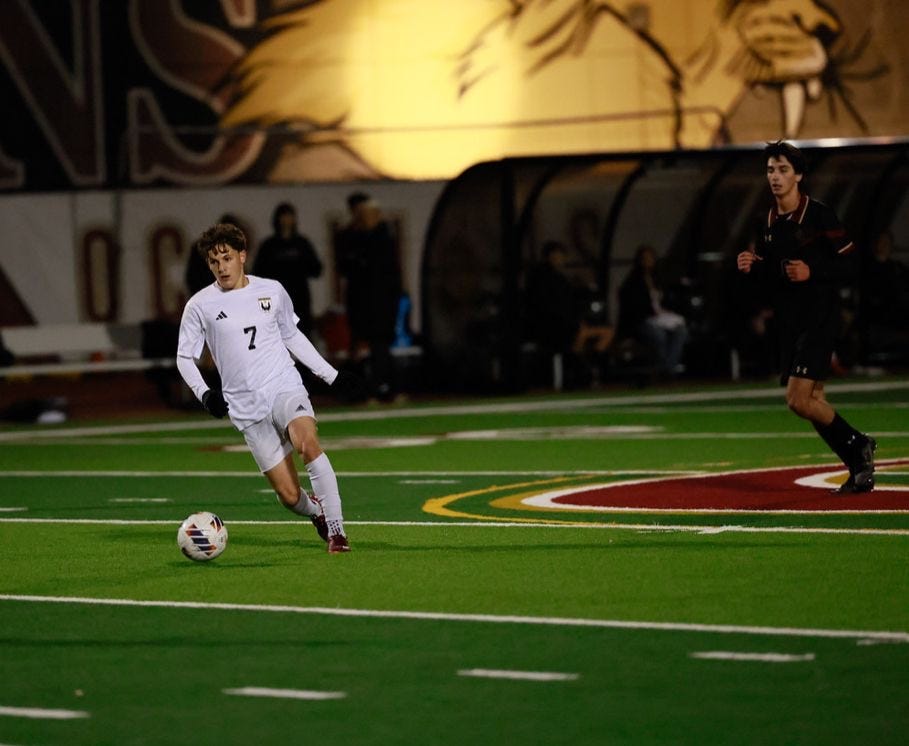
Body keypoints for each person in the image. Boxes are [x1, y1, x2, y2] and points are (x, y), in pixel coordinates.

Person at [176, 222, 362, 553]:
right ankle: (316, 511)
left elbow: (291, 336)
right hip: (245, 407)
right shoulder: (199, 306)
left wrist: (330, 375)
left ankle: (337, 531)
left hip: (282, 385)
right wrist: (205, 394)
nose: (221, 268)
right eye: (214, 262)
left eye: (227, 258)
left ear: (242, 256)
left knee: (307, 443)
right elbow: (184, 358)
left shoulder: (272, 291)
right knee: (289, 497)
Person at [736, 141, 876, 493]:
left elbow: (853, 265)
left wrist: (814, 271)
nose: (776, 177)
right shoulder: (765, 221)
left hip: (820, 317)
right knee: (814, 402)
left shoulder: (820, 215)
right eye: (771, 170)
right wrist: (754, 266)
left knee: (797, 400)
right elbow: (774, 273)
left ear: (799, 175)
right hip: (790, 322)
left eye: (783, 169)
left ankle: (859, 443)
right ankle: (858, 469)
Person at [335, 192, 402, 400]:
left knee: (381, 346)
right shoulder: (352, 238)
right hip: (362, 305)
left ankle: (384, 389)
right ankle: (362, 392)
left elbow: (391, 275)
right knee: (362, 349)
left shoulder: (384, 238)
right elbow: (345, 268)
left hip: (382, 305)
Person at [525, 240, 613, 358]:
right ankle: (577, 360)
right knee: (588, 333)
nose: (561, 259)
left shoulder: (555, 278)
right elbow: (555, 306)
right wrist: (575, 322)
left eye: (561, 256)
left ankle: (584, 359)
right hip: (554, 327)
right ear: (550, 257)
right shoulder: (547, 280)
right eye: (558, 256)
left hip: (560, 324)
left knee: (603, 331)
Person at [617, 245, 688, 376]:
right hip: (642, 320)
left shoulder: (659, 278)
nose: (648, 261)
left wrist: (665, 311)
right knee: (658, 335)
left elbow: (666, 300)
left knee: (681, 331)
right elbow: (633, 308)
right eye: (645, 258)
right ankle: (662, 370)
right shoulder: (633, 281)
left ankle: (667, 368)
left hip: (661, 317)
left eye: (650, 258)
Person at [253, 203, 323, 335]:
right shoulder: (269, 246)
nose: (286, 220)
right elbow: (259, 272)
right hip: (276, 297)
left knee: (301, 334)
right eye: (283, 216)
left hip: (300, 298)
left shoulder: (302, 244)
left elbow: (316, 269)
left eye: (289, 216)